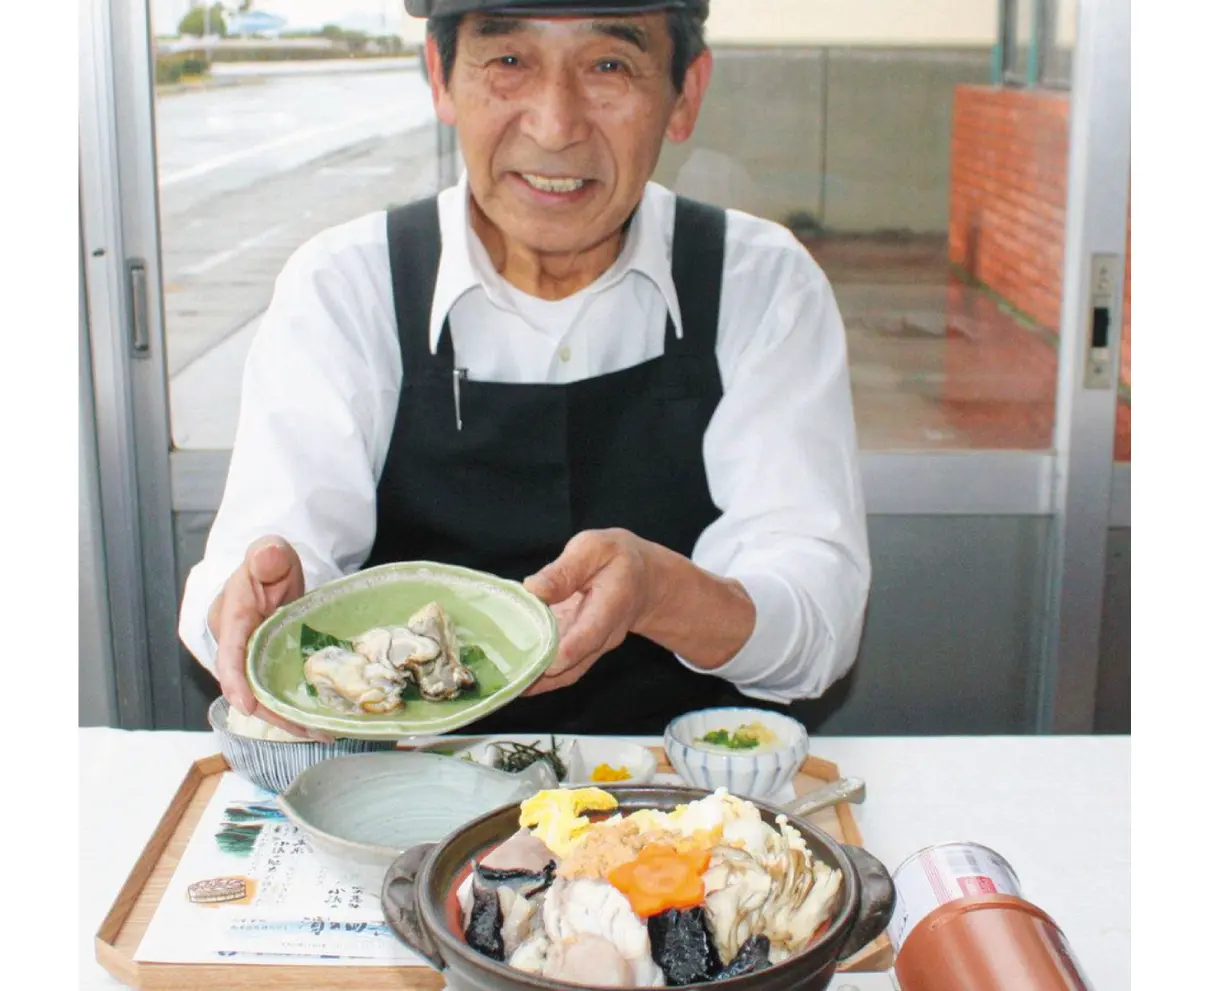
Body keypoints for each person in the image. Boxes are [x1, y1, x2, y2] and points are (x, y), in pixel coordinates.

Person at [179, 0, 870, 738]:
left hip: (681, 813)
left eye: (609, 64)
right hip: (406, 796)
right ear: (440, 77)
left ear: (685, 95)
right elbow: (268, 552)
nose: (555, 125)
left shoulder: (758, 282)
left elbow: (818, 618)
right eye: (509, 61)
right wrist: (256, 608)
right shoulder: (347, 284)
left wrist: (660, 593)